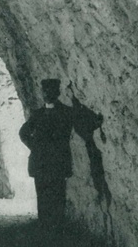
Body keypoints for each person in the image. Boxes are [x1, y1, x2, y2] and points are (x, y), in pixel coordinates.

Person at [19, 79, 102, 230]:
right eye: (45, 91)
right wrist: (35, 147)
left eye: (51, 91)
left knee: (58, 198)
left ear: (57, 93)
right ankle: (45, 230)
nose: (47, 94)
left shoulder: (67, 112)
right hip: (42, 163)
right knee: (43, 198)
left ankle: (56, 231)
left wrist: (96, 122)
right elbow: (23, 133)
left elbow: (82, 126)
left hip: (57, 163)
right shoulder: (38, 114)